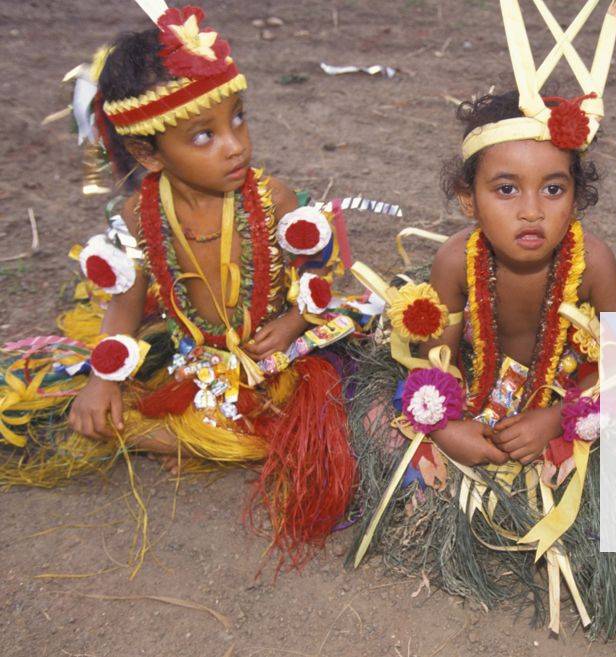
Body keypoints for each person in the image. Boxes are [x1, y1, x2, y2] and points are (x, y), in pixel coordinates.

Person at [344, 0, 616, 639]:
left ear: (578, 196)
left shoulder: (594, 260)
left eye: (554, 189)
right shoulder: (452, 261)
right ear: (467, 197)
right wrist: (445, 427)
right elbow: (436, 364)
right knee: (378, 429)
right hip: (479, 390)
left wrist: (558, 416)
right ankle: (459, 532)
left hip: (569, 391)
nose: (532, 211)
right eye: (506, 189)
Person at [0, 4, 361, 569]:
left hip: (281, 360)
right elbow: (125, 305)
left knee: (319, 431)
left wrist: (291, 323)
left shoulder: (276, 200)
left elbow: (318, 274)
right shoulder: (142, 215)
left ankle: (209, 439)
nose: (234, 145)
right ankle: (200, 435)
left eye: (238, 119)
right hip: (198, 362)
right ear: (148, 152)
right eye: (203, 135)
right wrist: (102, 381)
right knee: (100, 418)